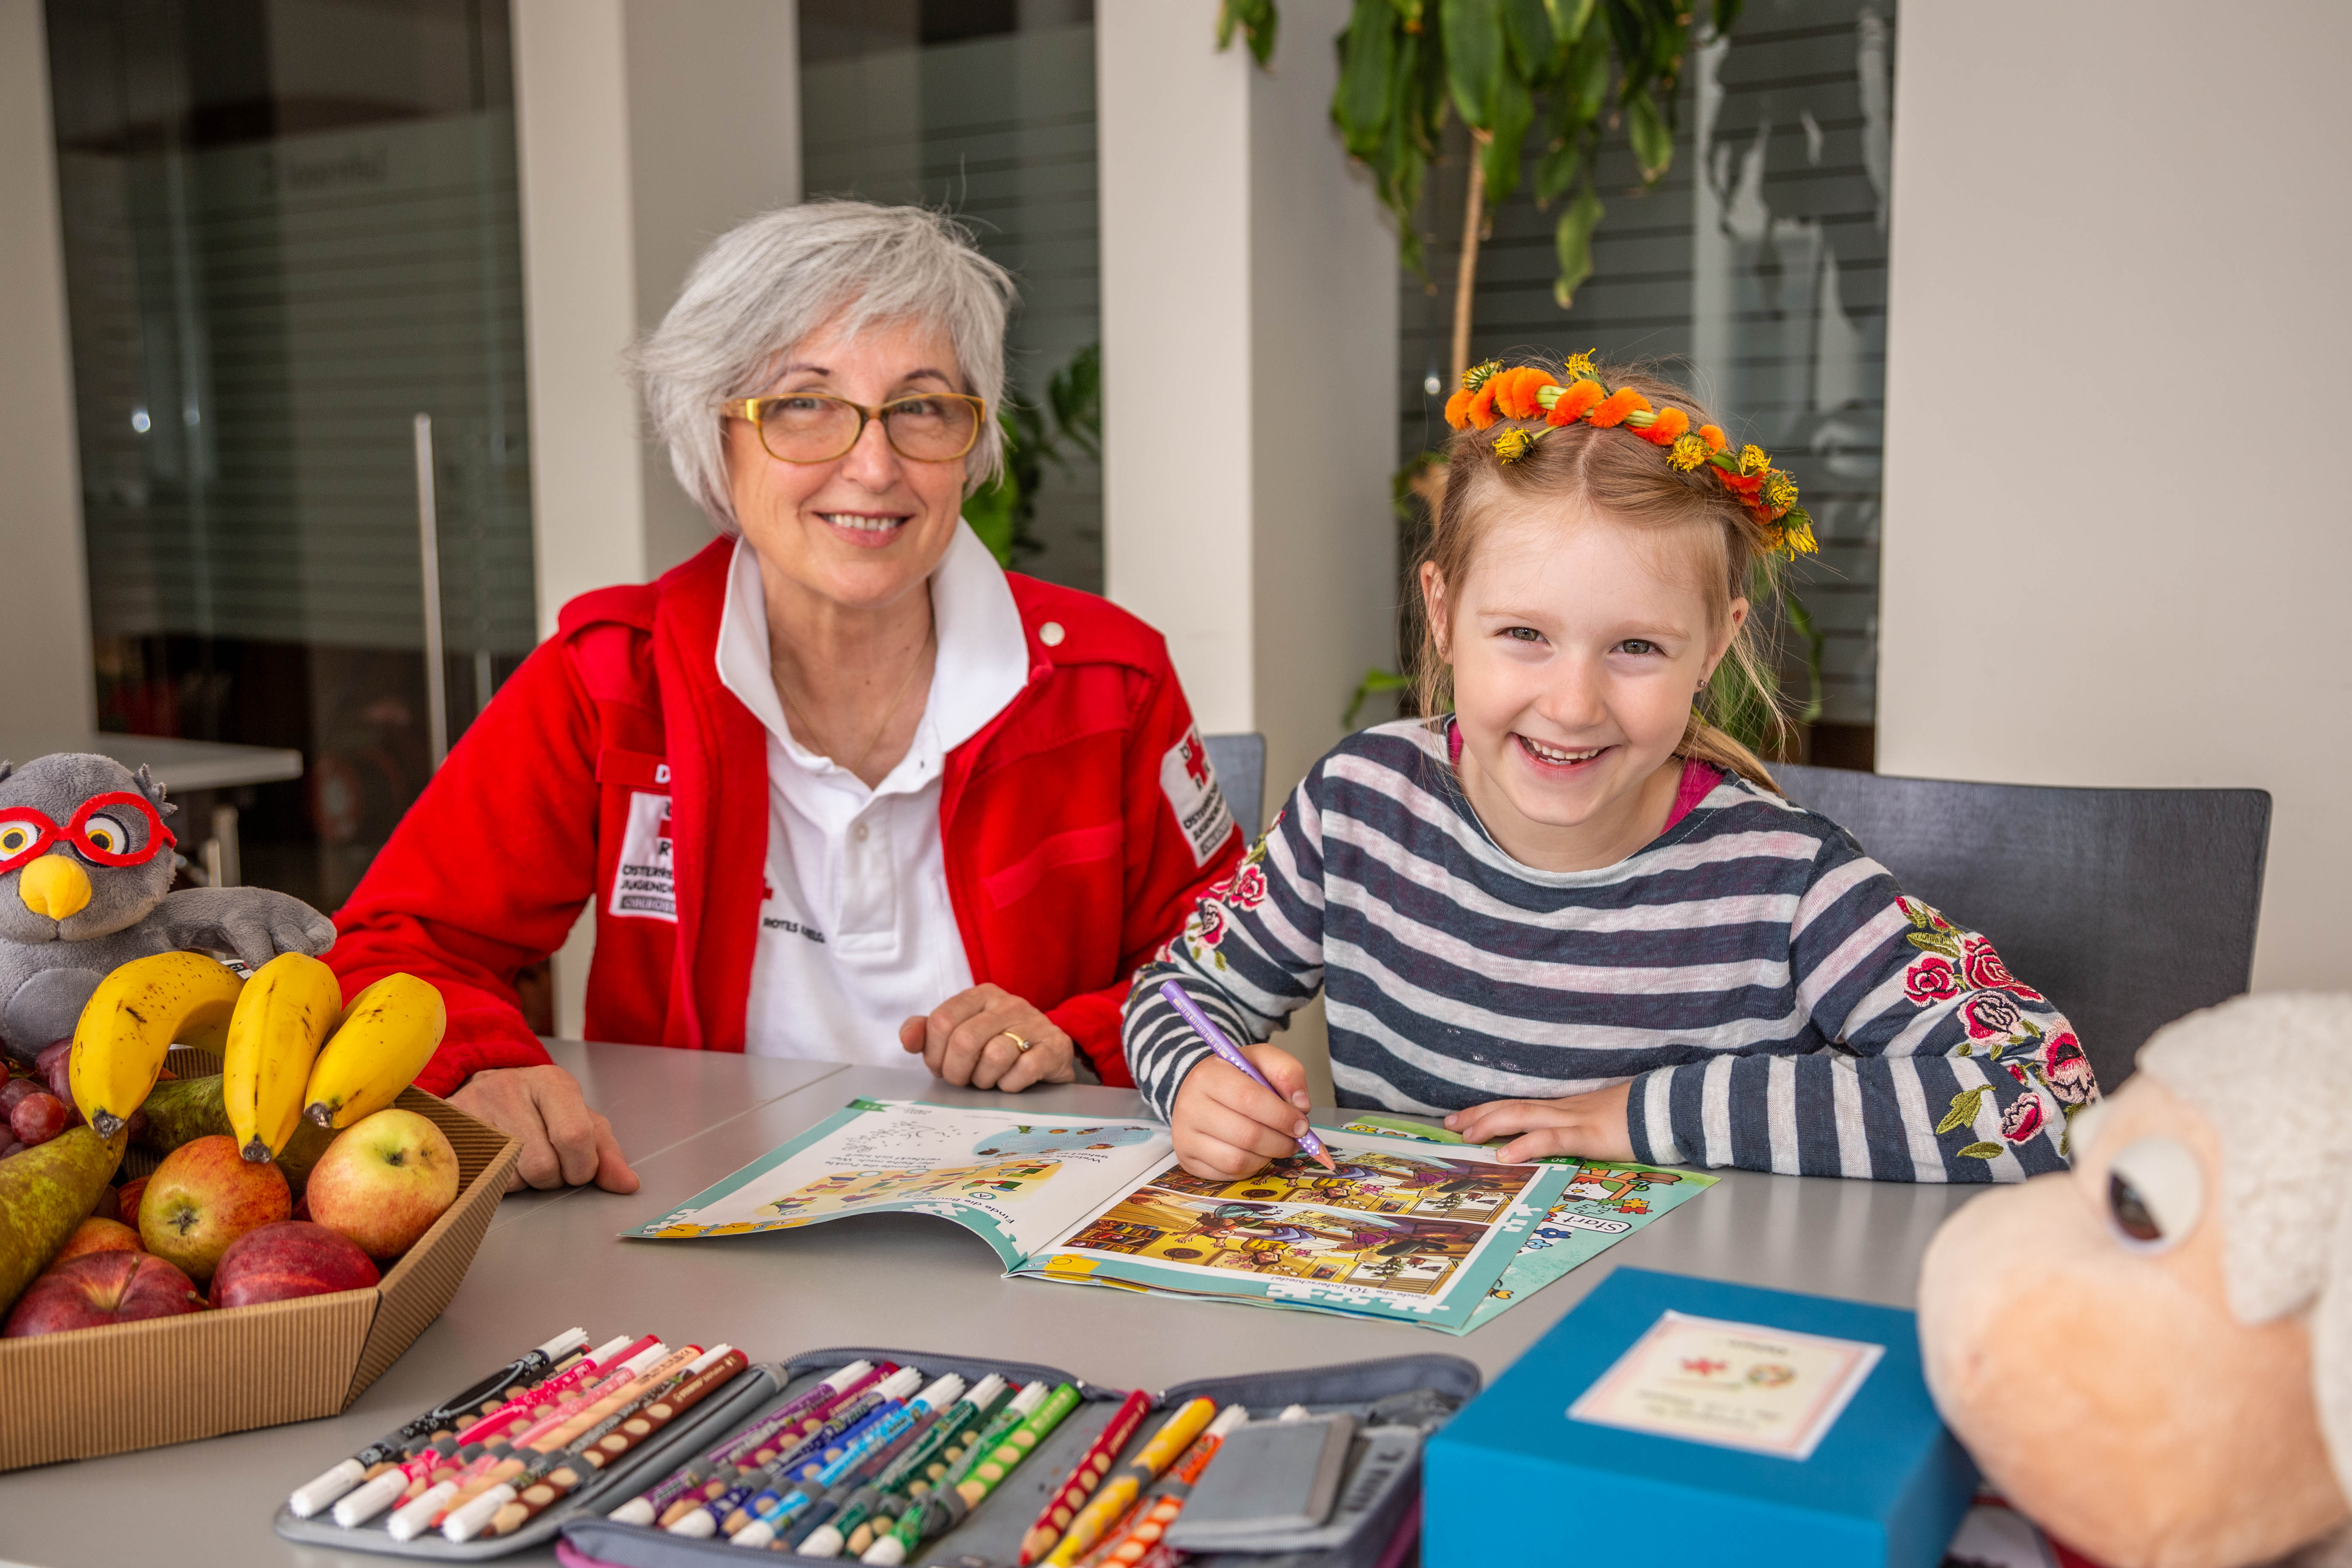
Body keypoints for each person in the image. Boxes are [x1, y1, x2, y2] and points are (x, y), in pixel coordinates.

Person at [331, 202, 1244, 1191]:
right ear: (717, 437)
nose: (874, 464)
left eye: (922, 406)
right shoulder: (611, 678)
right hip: (683, 1221)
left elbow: (1232, 950)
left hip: (1031, 1221)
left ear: (970, 442)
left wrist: (1072, 1037)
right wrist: (481, 1061)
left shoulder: (1112, 678)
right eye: (804, 404)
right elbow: (398, 944)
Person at [1124, 355, 2098, 1183]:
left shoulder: (1789, 882)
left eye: (1635, 647)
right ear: (1440, 610)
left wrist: (1643, 1116)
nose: (1574, 703)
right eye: (1522, 634)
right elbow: (1174, 993)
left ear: (1714, 646)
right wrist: (1196, 1084)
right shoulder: (1354, 810)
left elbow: (2047, 1090)